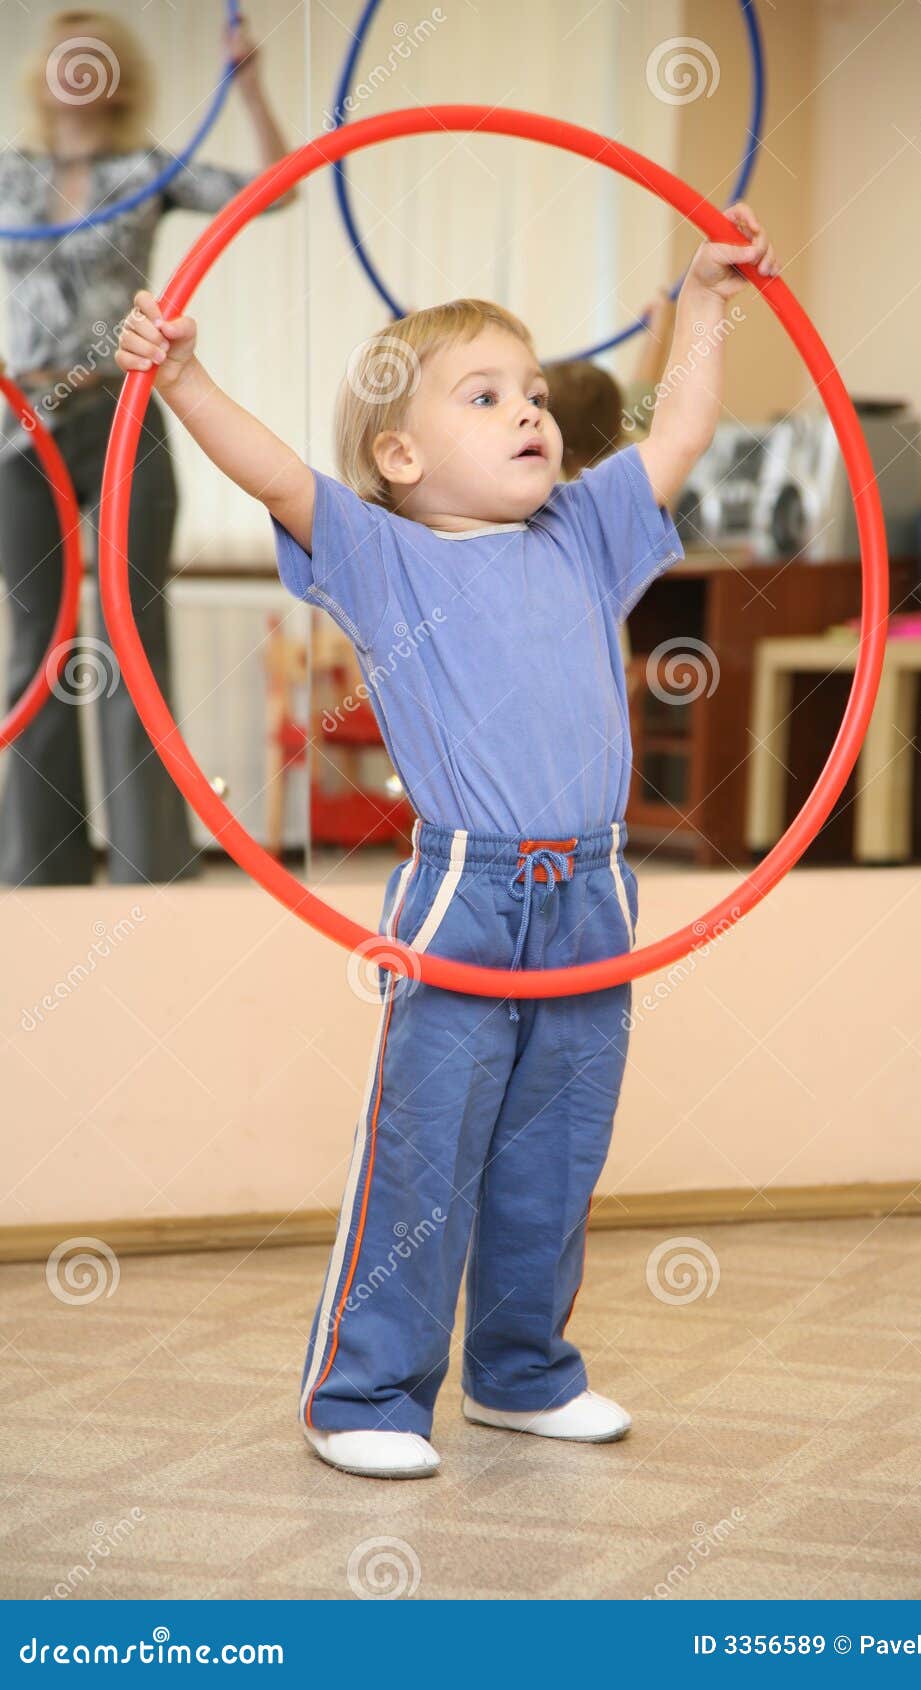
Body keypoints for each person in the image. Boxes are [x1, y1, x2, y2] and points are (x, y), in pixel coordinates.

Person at [116, 203, 779, 1480]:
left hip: (591, 894)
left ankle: (522, 1374)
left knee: (556, 1147)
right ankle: (362, 1393)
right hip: (465, 893)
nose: (529, 410)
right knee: (427, 1149)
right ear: (400, 456)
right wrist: (183, 374)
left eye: (532, 391)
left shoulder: (584, 533)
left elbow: (682, 424)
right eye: (483, 396)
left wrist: (701, 295)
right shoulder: (380, 555)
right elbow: (270, 472)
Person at [0, 8, 295, 886]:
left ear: (117, 74)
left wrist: (251, 89)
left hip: (122, 415)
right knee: (36, 646)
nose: (74, 69)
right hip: (23, 425)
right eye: (61, 55)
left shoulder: (145, 171)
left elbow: (275, 190)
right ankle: (39, 869)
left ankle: (149, 866)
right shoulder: (9, 174)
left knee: (134, 633)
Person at [546, 287, 679, 692]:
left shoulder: (546, 490)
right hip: (608, 655)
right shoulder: (632, 461)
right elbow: (644, 387)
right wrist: (660, 325)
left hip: (568, 656)